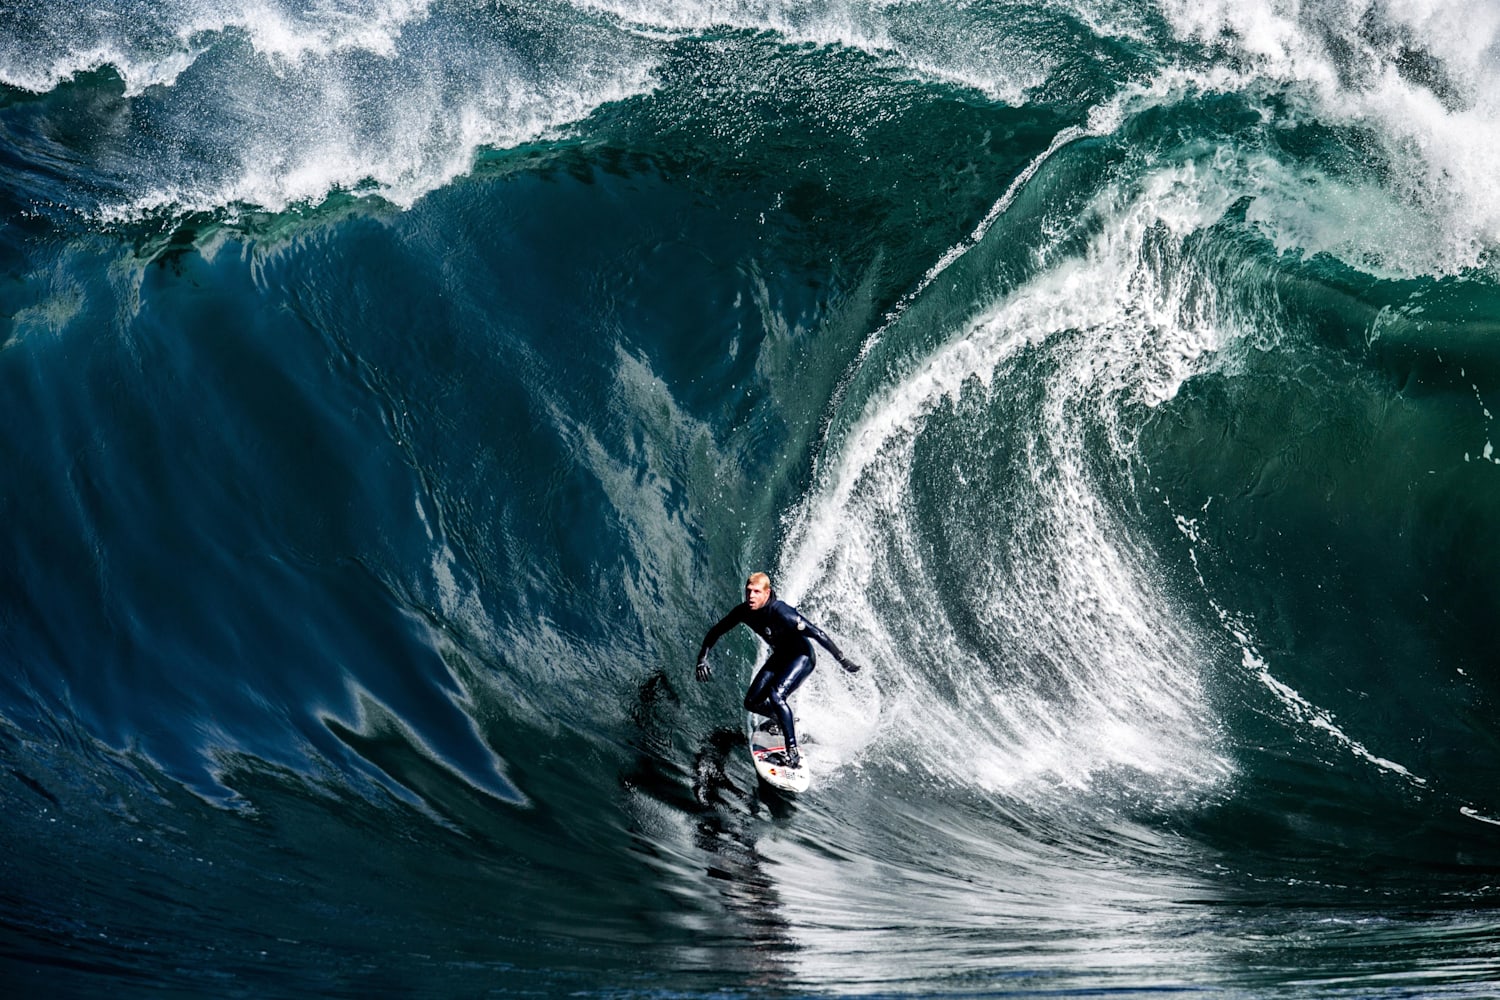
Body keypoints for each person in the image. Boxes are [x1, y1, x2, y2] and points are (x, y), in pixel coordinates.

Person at [696, 572, 861, 768]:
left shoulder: (783, 613)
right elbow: (717, 630)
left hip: (802, 657)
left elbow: (817, 633)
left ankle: (792, 753)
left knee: (776, 696)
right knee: (752, 702)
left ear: (767, 593)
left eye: (757, 592)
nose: (751, 596)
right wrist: (702, 659)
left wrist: (842, 660)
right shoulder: (744, 611)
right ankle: (780, 720)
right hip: (781, 656)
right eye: (748, 591)